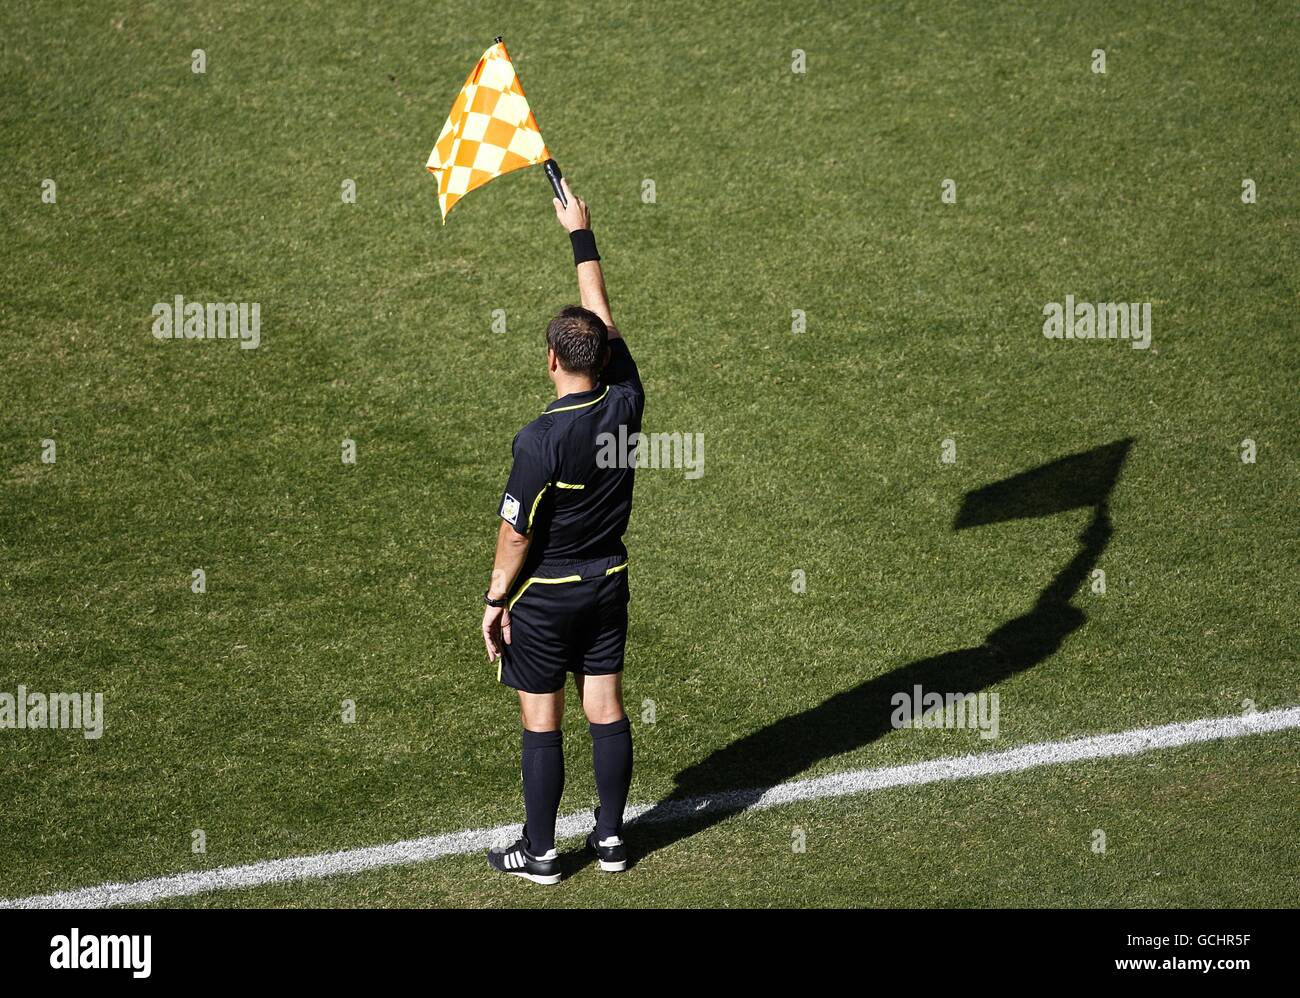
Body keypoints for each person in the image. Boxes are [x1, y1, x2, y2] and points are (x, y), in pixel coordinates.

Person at [480, 178, 644, 884]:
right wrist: (582, 235)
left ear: (551, 359)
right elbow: (602, 318)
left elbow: (516, 535)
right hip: (608, 578)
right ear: (601, 357)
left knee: (541, 721)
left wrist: (494, 600)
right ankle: (610, 842)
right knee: (604, 706)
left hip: (546, 594)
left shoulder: (538, 441)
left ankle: (541, 853)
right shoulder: (628, 401)